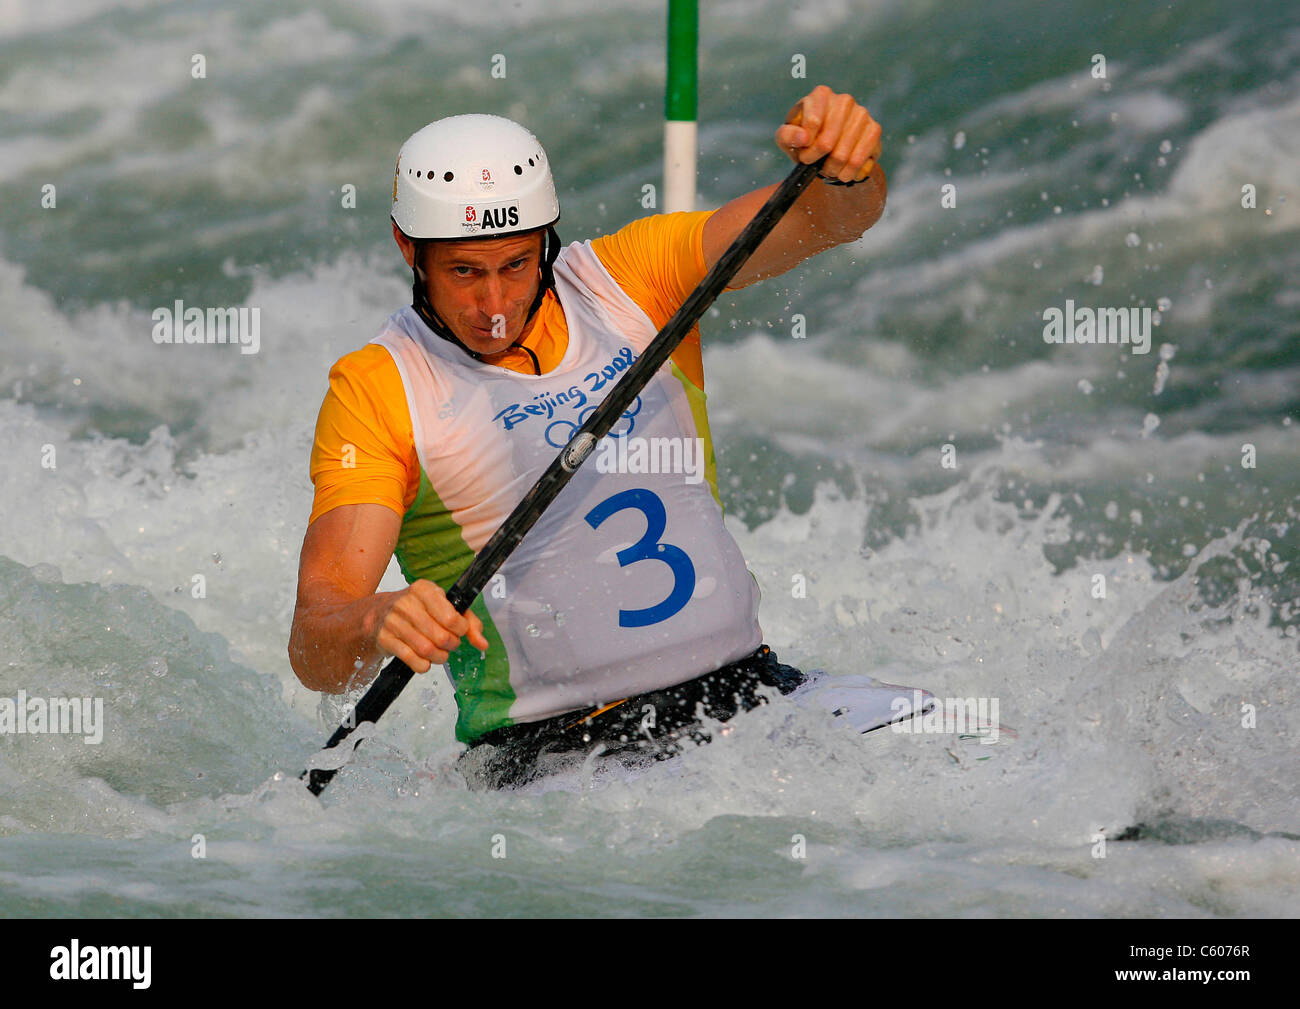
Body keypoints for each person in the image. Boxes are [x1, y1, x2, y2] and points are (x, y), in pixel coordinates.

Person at [289, 84, 886, 788]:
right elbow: (315, 641)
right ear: (407, 248)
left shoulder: (634, 279)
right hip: (558, 754)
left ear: (547, 238)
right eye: (463, 273)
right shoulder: (380, 389)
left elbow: (830, 217)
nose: (494, 307)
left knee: (986, 752)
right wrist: (377, 618)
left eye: (516, 266)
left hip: (750, 694)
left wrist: (846, 166)